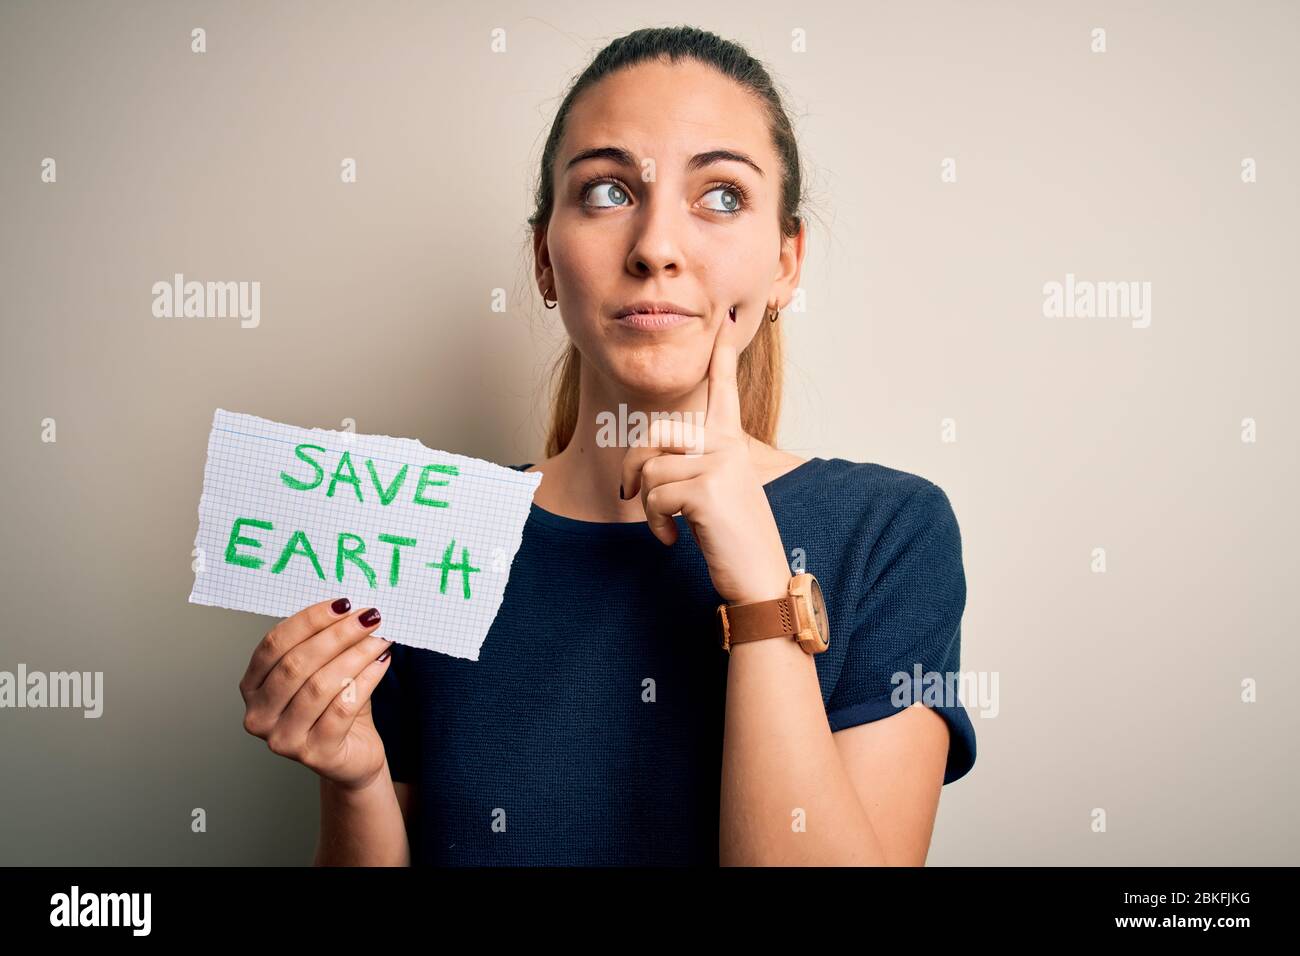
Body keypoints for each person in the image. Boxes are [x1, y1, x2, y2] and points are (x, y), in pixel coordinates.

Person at [238, 25, 975, 866]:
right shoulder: (428, 538)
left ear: (786, 264)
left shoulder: (891, 532)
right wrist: (356, 781)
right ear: (545, 261)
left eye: (723, 195)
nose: (657, 248)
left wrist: (762, 588)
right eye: (606, 192)